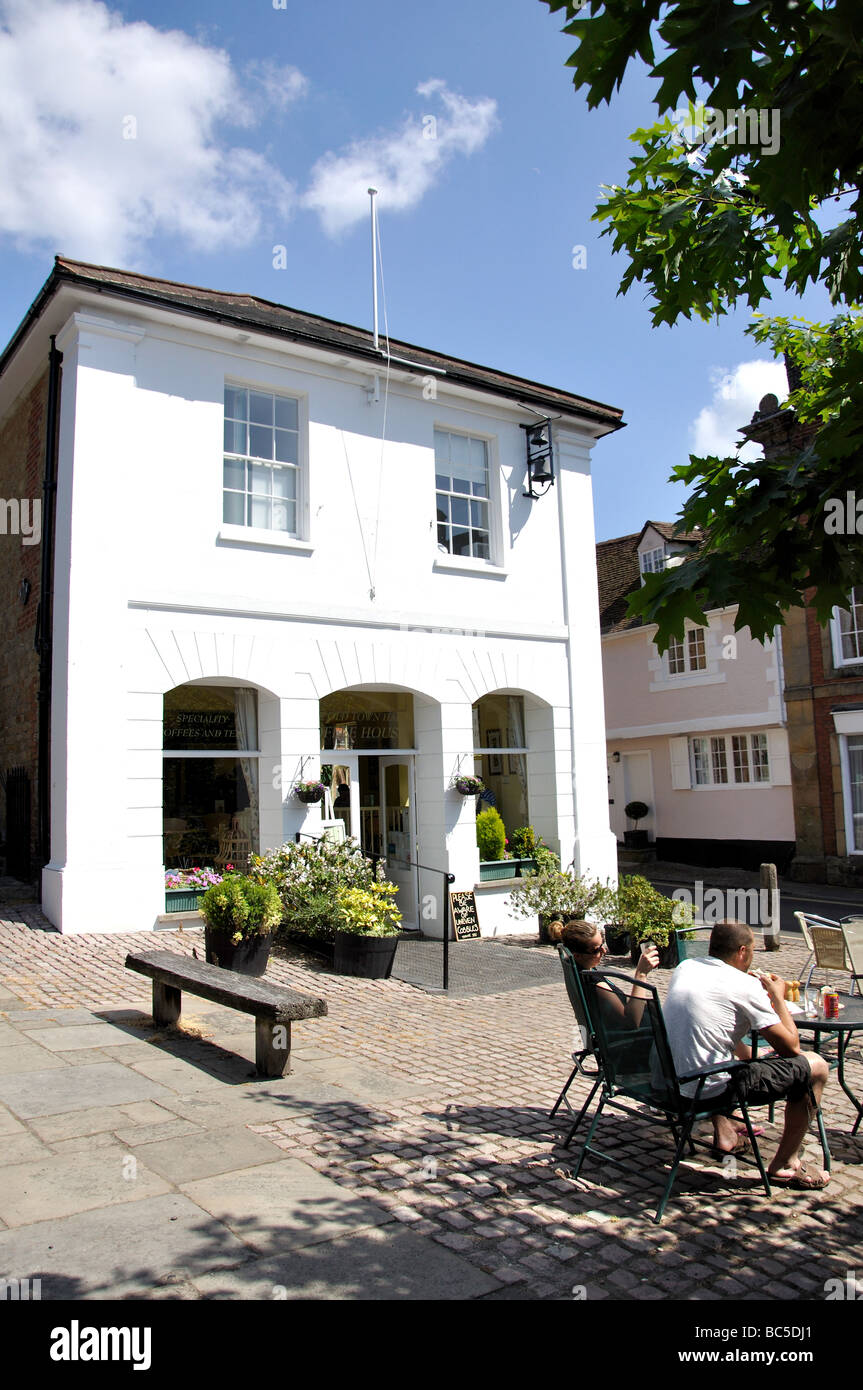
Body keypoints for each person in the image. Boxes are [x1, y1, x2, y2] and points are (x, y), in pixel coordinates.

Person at [662, 919, 829, 1190]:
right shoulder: (743, 984)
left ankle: (725, 1134)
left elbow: (715, 1025)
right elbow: (792, 1048)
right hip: (708, 1089)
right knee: (817, 1066)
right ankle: (785, 1165)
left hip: (676, 1081)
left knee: (733, 1053)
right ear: (742, 951)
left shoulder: (686, 967)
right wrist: (776, 998)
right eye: (752, 951)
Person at [559, 918, 659, 1024]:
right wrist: (641, 974)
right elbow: (631, 1021)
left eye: (603, 944)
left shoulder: (578, 969)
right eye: (597, 950)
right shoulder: (596, 984)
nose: (604, 951)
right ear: (578, 956)